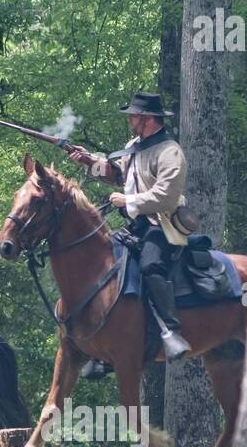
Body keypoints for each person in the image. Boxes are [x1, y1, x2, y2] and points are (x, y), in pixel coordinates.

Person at [66, 90, 192, 360]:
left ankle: (171, 330)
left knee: (151, 265)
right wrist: (88, 161)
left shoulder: (170, 152)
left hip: (162, 225)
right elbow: (116, 173)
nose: (129, 120)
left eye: (133, 116)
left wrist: (127, 200)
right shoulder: (135, 144)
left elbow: (165, 196)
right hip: (135, 227)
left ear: (146, 119)